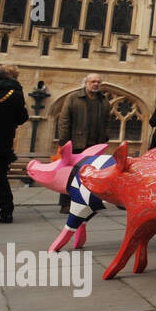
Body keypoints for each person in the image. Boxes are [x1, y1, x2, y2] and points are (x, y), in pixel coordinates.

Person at [57, 73, 111, 213]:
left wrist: (105, 138)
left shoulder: (104, 100)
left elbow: (106, 122)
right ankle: (66, 203)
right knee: (70, 174)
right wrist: (64, 142)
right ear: (86, 83)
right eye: (93, 81)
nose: (96, 84)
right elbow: (64, 120)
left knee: (91, 175)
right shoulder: (73, 98)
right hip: (76, 143)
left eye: (98, 82)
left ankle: (87, 201)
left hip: (95, 145)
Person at [0, 62, 29, 223]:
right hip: (2, 142)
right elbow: (22, 118)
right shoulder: (15, 93)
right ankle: (6, 211)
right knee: (0, 177)